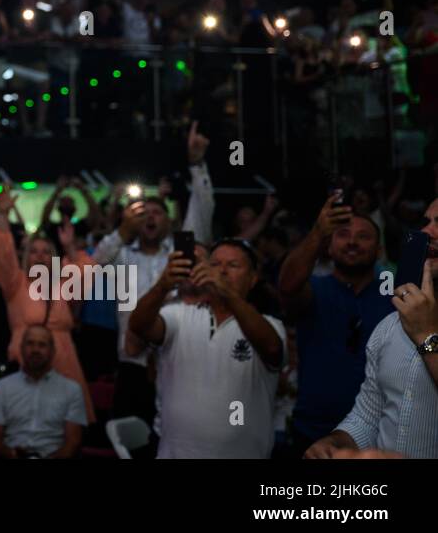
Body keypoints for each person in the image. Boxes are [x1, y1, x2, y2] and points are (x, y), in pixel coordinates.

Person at [92, 122, 214, 425]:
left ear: (168, 221)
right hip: (132, 363)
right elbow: (96, 264)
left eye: (157, 212)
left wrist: (197, 165)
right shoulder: (122, 254)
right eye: (143, 212)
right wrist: (122, 230)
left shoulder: (180, 249)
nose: (149, 216)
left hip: (173, 358)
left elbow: (203, 211)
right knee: (127, 438)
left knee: (170, 436)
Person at [304, 197, 438, 459]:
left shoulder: (416, 326)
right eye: (427, 222)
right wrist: (333, 443)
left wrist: (426, 336)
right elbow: (367, 418)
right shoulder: (390, 325)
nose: (426, 232)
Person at [129, 239, 286, 458]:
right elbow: (138, 325)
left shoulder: (270, 325)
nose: (221, 271)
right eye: (214, 264)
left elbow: (271, 348)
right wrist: (163, 284)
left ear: (253, 279)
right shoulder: (180, 315)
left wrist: (228, 294)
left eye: (233, 265)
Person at [277, 194, 393, 455]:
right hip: (313, 430)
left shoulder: (396, 297)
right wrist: (318, 232)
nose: (352, 241)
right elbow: (286, 285)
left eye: (363, 236)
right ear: (328, 247)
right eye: (342, 234)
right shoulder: (315, 290)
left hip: (381, 434)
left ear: (379, 251)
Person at [0, 190, 96, 421]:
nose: (39, 256)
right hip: (26, 361)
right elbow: (2, 255)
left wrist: (69, 247)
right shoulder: (15, 283)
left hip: (63, 363)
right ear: (26, 256)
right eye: (34, 251)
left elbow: (86, 274)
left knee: (62, 428)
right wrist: (3, 216)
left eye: (46, 252)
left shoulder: (62, 284)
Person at [0, 325, 86, 459]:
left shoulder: (72, 390)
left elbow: (73, 442)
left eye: (42, 345)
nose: (35, 350)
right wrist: (11, 453)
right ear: (21, 348)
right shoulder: (2, 387)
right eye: (30, 343)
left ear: (53, 351)